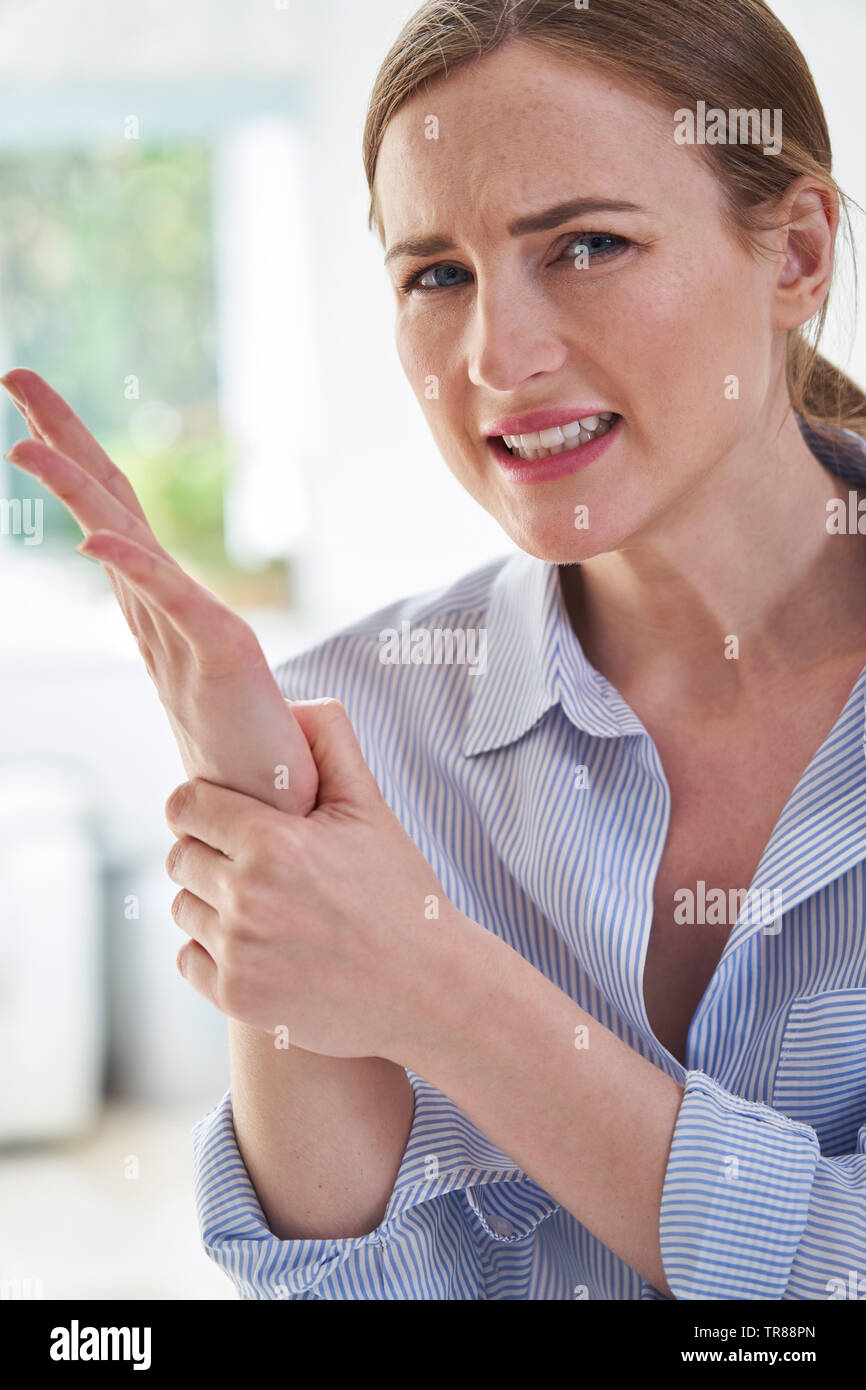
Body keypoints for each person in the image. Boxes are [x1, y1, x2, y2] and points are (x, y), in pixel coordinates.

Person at [5, 0, 866, 1300]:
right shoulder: (355, 718)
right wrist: (263, 801)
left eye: (584, 244)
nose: (497, 357)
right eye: (436, 275)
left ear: (795, 252)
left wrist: (440, 988)